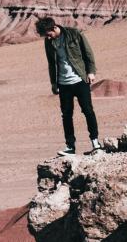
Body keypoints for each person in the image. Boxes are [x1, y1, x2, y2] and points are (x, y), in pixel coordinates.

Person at [35, 15, 102, 156]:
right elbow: (51, 64)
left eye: (48, 34)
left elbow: (87, 52)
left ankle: (95, 142)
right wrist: (53, 82)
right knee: (66, 115)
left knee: (88, 111)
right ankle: (70, 146)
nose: (47, 38)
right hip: (63, 83)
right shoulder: (48, 42)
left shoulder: (74, 34)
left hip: (80, 80)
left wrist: (91, 72)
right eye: (45, 36)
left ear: (54, 28)